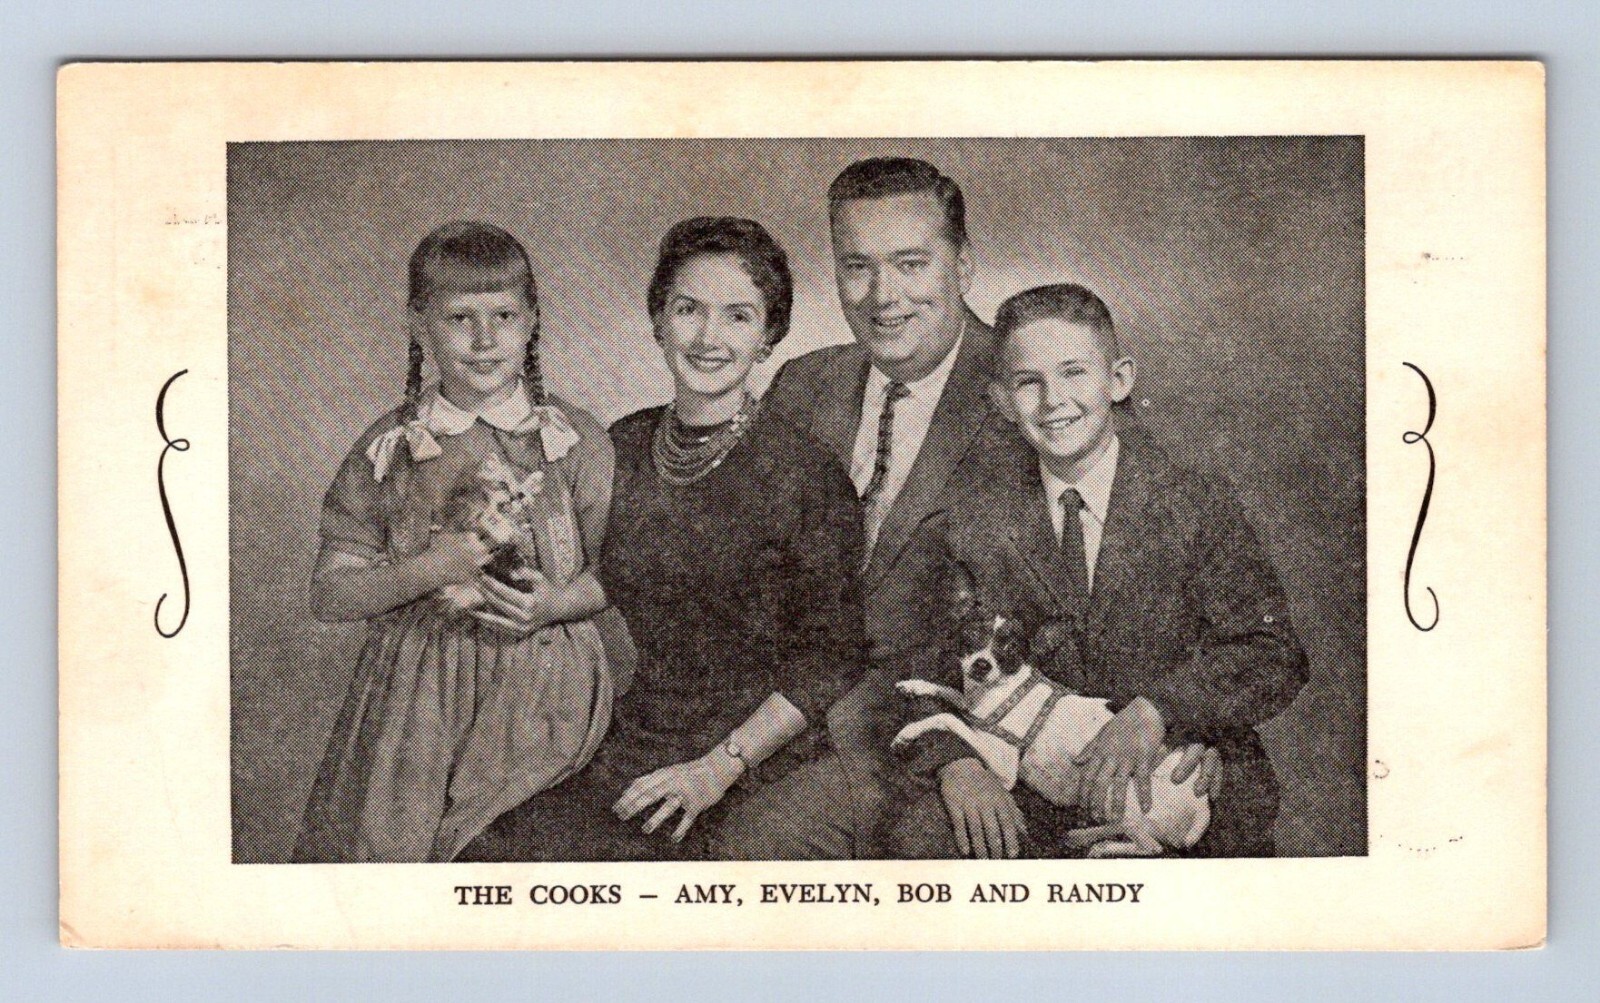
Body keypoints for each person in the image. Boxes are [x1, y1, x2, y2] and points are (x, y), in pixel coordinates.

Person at [458, 217, 866, 861]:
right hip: (638, 734)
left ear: (769, 337)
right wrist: (544, 603)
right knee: (487, 853)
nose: (708, 338)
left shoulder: (806, 477)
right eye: (688, 310)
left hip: (764, 763)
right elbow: (613, 573)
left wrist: (718, 768)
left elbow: (832, 660)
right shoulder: (617, 445)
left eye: (737, 316)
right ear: (658, 321)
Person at [890, 282, 1309, 856]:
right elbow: (922, 654)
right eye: (1028, 382)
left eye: (1073, 373)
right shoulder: (975, 514)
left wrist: (1162, 715)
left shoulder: (1191, 501)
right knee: (926, 844)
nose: (1052, 401)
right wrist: (956, 760)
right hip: (1035, 786)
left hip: (1182, 771)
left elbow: (1272, 651)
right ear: (1001, 401)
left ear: (1119, 381)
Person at [293, 222, 629, 863]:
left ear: (531, 320)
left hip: (545, 688)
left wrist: (554, 605)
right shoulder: (390, 450)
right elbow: (330, 594)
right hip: (419, 697)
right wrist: (432, 567)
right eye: (459, 318)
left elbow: (620, 569)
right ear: (420, 325)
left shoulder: (574, 441)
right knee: (397, 857)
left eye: (503, 315)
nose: (484, 340)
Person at [727, 156, 1025, 858]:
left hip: (941, 746)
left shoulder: (1034, 388)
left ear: (964, 266)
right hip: (782, 720)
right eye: (857, 266)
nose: (882, 296)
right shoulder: (804, 385)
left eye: (911, 263)